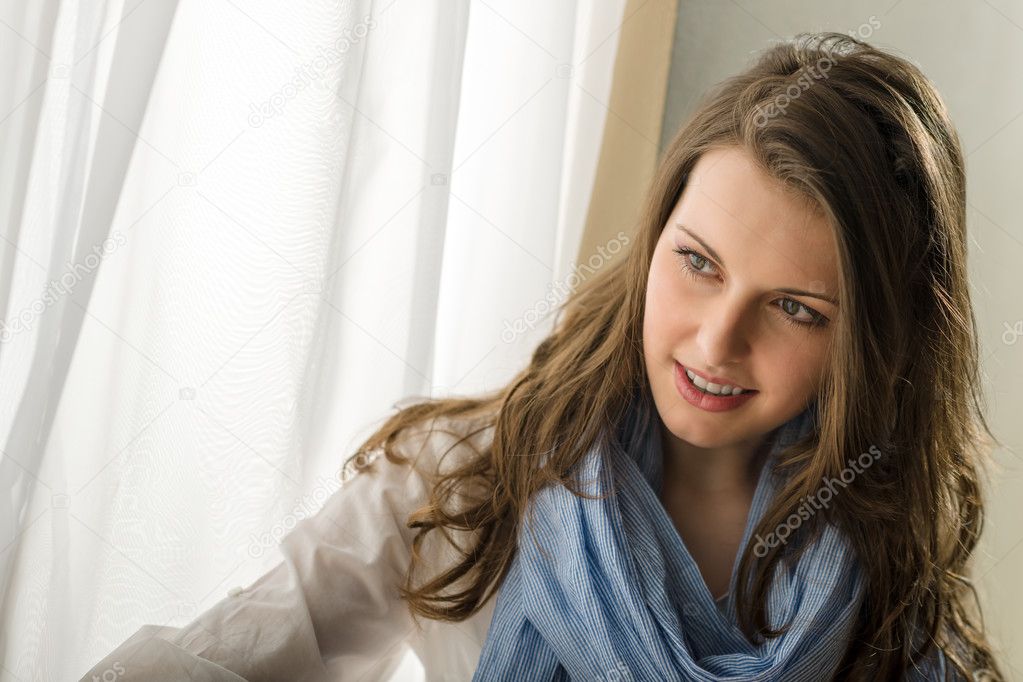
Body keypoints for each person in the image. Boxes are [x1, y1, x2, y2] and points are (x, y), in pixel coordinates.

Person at [80, 31, 1005, 681]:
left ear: (872, 347)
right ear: (650, 242)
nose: (715, 340)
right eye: (696, 263)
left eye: (795, 309)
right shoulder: (458, 483)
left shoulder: (881, 558)